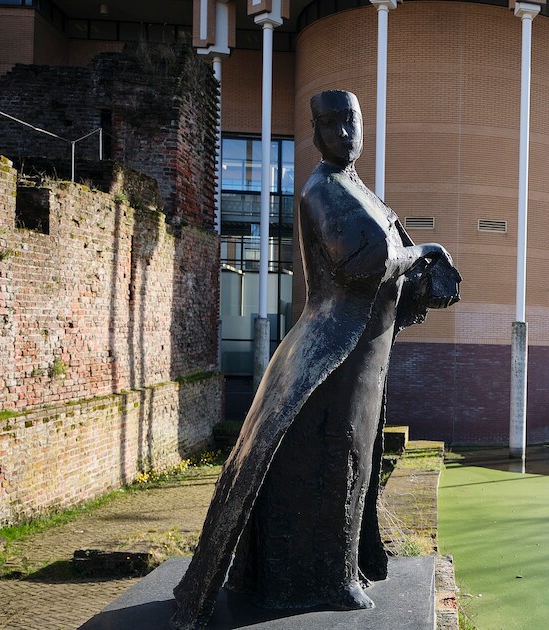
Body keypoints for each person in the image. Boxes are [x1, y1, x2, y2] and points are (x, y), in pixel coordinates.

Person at [171, 90, 460, 629]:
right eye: (332, 124)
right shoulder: (320, 190)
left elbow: (385, 253)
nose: (344, 133)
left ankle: (346, 566)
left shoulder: (357, 187)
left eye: (351, 121)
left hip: (365, 354)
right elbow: (367, 261)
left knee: (358, 462)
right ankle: (326, 577)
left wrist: (420, 269)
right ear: (315, 132)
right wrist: (424, 253)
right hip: (335, 349)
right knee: (335, 460)